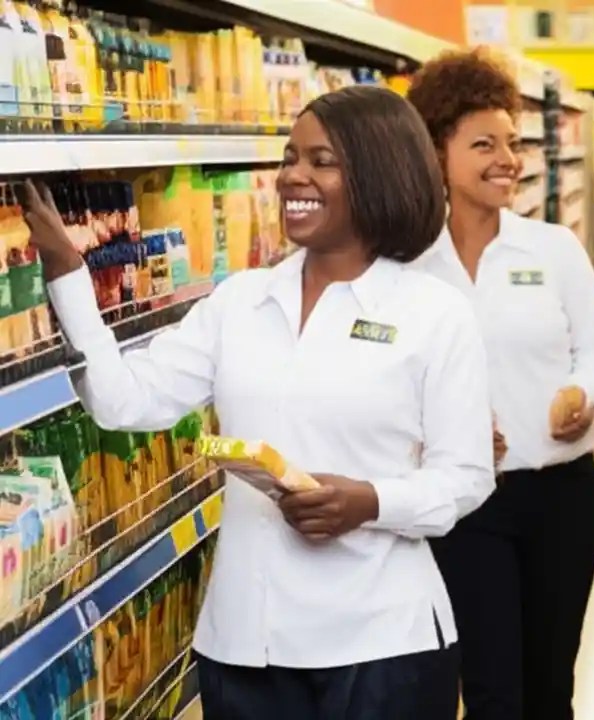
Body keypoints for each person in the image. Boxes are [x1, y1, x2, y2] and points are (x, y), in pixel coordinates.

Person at [18, 86, 492, 720]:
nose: (294, 175)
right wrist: (65, 271)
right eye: (291, 157)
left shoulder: (434, 314)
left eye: (322, 161)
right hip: (247, 643)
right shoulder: (239, 302)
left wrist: (368, 502)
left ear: (379, 174)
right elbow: (123, 402)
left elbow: (466, 476)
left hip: (383, 643)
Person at [405, 48, 594, 720]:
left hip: (563, 496)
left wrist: (581, 395)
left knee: (551, 686)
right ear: (437, 152)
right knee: (494, 692)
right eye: (483, 144)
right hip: (467, 508)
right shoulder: (406, 263)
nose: (508, 158)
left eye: (513, 142)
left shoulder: (552, 249)